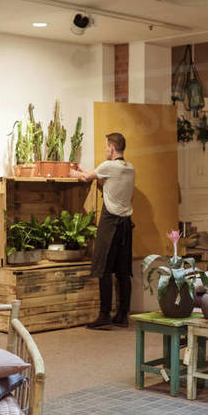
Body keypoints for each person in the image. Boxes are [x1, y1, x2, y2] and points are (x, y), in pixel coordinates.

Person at [71, 132, 135, 329]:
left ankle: (104, 314)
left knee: (103, 268)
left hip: (110, 223)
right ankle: (123, 315)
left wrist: (72, 172)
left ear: (112, 148)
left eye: (107, 146)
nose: (106, 149)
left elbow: (86, 178)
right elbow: (101, 175)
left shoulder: (108, 166)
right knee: (123, 272)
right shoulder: (130, 168)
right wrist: (85, 170)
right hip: (126, 225)